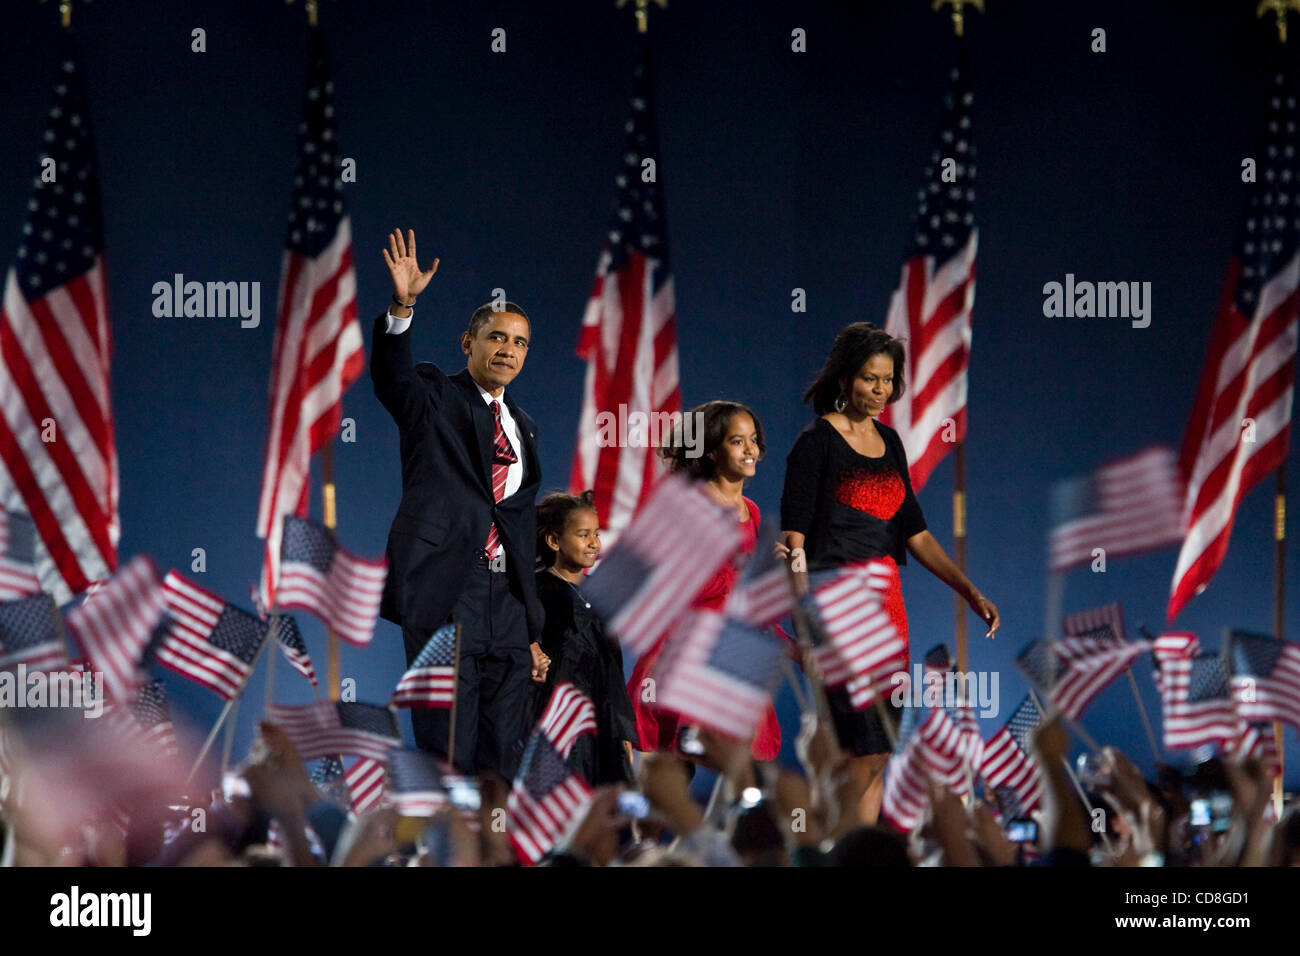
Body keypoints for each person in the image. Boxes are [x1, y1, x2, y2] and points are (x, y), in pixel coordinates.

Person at [778, 322, 1000, 824]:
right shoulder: (816, 443)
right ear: (843, 379)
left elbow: (915, 534)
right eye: (868, 379)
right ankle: (840, 851)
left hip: (889, 612)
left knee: (879, 752)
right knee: (853, 751)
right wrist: (806, 629)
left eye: (887, 380)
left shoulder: (892, 443)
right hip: (837, 606)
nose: (879, 391)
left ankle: (866, 854)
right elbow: (794, 543)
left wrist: (968, 590)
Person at [370, 228, 549, 783]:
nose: (507, 350)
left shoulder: (524, 426)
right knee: (448, 753)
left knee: (504, 756)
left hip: (511, 608)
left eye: (519, 342)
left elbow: (514, 525)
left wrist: (532, 621)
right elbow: (391, 377)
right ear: (467, 343)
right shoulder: (433, 397)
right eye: (496, 337)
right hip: (450, 591)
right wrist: (403, 306)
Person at [627, 400, 783, 762]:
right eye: (737, 441)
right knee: (668, 776)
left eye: (754, 440)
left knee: (745, 773)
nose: (750, 450)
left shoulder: (753, 512)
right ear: (711, 450)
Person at [531, 490, 637, 785]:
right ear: (554, 541)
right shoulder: (536, 590)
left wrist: (623, 731)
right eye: (583, 534)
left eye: (596, 534)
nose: (593, 543)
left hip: (601, 720)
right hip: (553, 716)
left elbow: (614, 666)